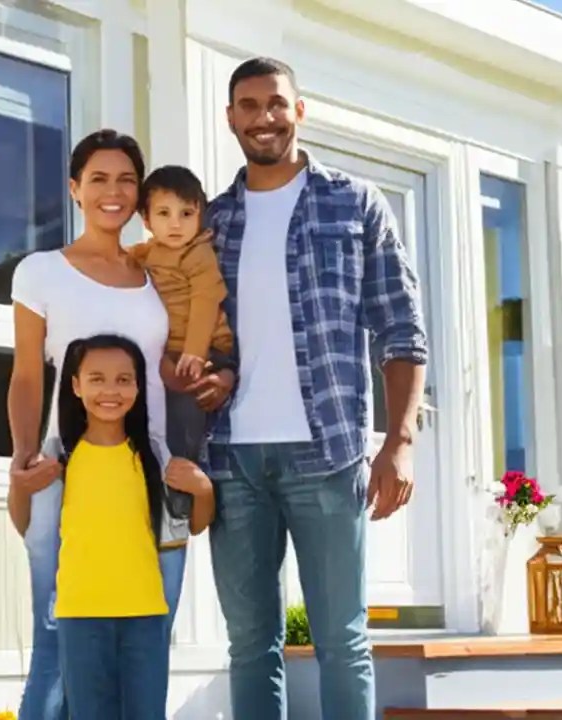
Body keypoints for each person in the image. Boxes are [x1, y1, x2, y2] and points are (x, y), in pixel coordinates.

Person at [200, 57, 428, 720]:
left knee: (343, 641)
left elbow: (401, 328)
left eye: (275, 103)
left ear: (300, 111)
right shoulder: (212, 223)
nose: (262, 117)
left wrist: (399, 442)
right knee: (250, 645)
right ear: (230, 118)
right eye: (247, 105)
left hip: (327, 455)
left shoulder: (354, 204)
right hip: (232, 458)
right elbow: (194, 333)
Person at [5, 129, 227, 720]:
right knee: (55, 644)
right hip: (68, 466)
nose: (114, 191)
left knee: (149, 639)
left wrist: (211, 380)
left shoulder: (153, 270)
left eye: (127, 179)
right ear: (75, 189)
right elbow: (28, 374)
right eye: (99, 178)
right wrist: (25, 455)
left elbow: (167, 367)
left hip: (153, 467)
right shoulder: (41, 271)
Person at [52, 334, 215, 720]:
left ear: (139, 387)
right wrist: (20, 488)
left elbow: (192, 526)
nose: (111, 390)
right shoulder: (60, 459)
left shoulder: (155, 458)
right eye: (97, 378)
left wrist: (204, 490)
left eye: (124, 379)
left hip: (145, 617)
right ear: (75, 385)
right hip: (80, 616)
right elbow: (25, 521)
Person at [129, 165, 236, 522]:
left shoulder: (198, 254)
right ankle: (151, 485)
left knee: (186, 414)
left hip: (204, 349)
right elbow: (125, 262)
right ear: (146, 219)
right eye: (164, 214)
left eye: (186, 214)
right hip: (168, 350)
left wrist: (195, 351)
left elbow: (205, 301)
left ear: (201, 216)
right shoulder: (147, 253)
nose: (176, 224)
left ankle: (181, 494)